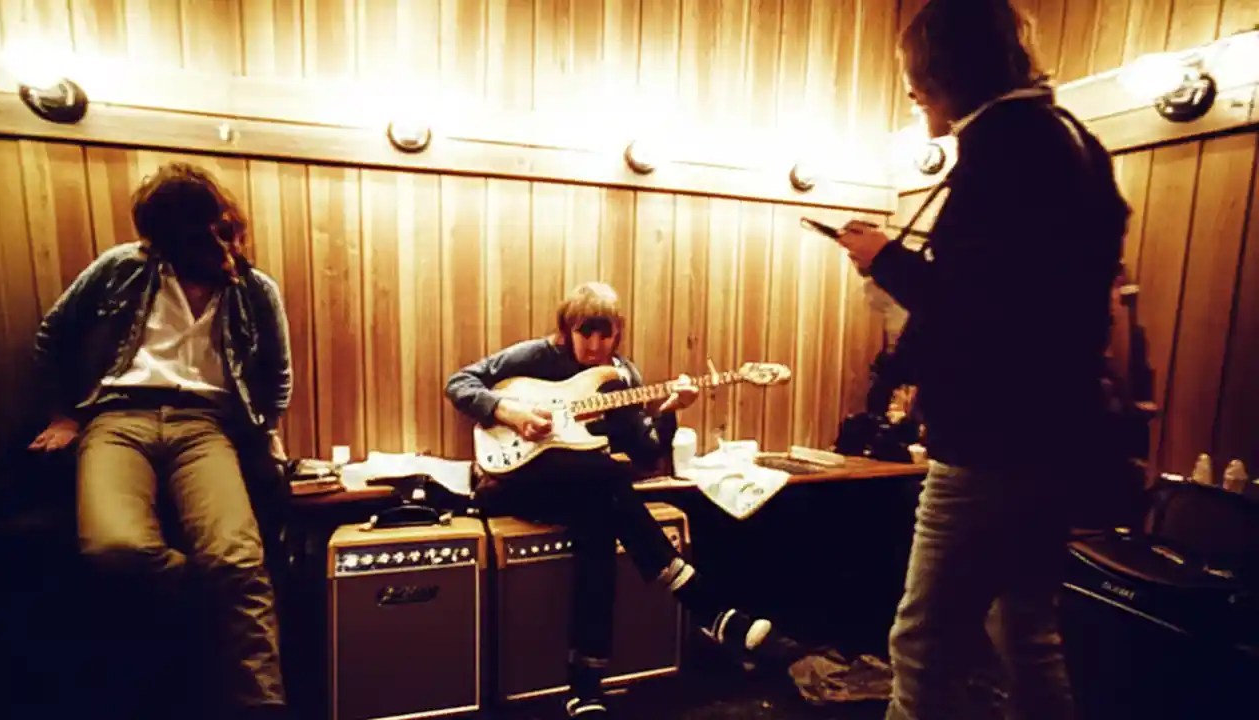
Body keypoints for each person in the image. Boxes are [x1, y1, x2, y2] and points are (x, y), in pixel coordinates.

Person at [834, 1, 1130, 718]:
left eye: (920, 77)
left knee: (921, 644)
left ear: (951, 71)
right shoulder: (1070, 139)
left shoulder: (1005, 147)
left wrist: (884, 260)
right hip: (1057, 439)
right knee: (1024, 628)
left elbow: (979, 308)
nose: (913, 92)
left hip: (992, 443)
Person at [446, 281, 788, 718]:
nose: (593, 345)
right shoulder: (535, 357)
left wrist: (669, 411)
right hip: (518, 482)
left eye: (604, 335)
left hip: (586, 493)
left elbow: (645, 455)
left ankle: (586, 688)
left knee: (598, 513)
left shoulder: (621, 378)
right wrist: (507, 411)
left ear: (617, 333)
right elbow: (460, 382)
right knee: (604, 477)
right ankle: (707, 609)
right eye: (584, 333)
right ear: (566, 329)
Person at [29, 162, 293, 720]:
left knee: (237, 558)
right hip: (118, 418)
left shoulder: (253, 289)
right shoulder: (121, 267)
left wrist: (264, 435)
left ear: (224, 222)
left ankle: (261, 707)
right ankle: (210, 608)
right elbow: (54, 333)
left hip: (206, 426)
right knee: (115, 549)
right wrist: (62, 416)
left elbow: (277, 374)